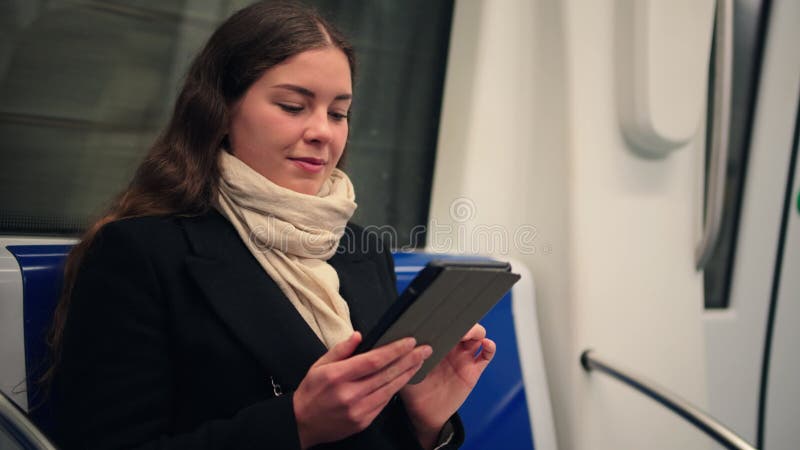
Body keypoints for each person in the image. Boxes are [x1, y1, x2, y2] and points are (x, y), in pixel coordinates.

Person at [48, 2, 496, 449]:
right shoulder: (139, 253)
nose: (324, 131)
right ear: (221, 110)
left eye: (338, 113)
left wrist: (425, 425)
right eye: (293, 106)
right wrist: (296, 424)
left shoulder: (359, 247)